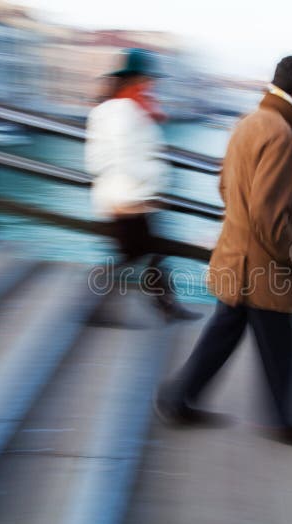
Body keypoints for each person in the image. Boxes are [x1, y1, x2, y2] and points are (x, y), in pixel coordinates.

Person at [155, 55, 292, 449]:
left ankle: (178, 398)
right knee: (283, 344)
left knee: (227, 332)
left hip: (236, 256)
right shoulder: (280, 134)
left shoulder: (247, 123)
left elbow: (225, 188)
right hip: (264, 267)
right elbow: (270, 216)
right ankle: (287, 422)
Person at [85, 48, 201, 322]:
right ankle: (96, 306)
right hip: (128, 198)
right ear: (134, 80)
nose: (151, 84)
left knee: (147, 253)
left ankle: (165, 306)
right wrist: (151, 186)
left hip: (125, 196)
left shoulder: (115, 110)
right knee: (137, 254)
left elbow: (104, 158)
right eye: (147, 78)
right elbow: (126, 156)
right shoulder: (125, 112)